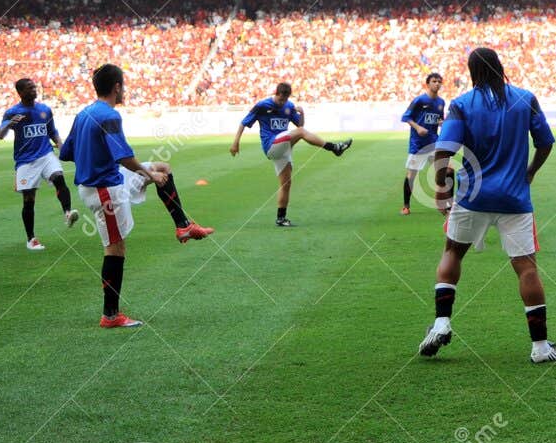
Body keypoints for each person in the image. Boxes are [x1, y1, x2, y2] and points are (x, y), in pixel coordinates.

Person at [418, 47, 556, 364]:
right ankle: (540, 348)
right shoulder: (525, 98)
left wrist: (442, 189)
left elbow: (444, 150)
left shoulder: (461, 104)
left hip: (473, 196)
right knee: (526, 267)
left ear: (471, 72)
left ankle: (442, 322)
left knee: (452, 252)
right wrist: (531, 171)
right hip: (515, 198)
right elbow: (546, 142)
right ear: (500, 66)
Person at [61, 63, 215, 328]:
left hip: (108, 180)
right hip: (104, 189)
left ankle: (183, 226)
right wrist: (147, 175)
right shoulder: (109, 115)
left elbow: (66, 152)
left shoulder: (83, 113)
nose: (125, 90)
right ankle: (110, 315)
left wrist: (100, 159)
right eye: (124, 85)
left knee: (162, 168)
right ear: (117, 87)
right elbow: (124, 156)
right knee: (115, 248)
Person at [229, 82, 352, 227]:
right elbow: (244, 122)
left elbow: (300, 127)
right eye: (281, 99)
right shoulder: (263, 105)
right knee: (300, 134)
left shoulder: (289, 106)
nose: (283, 103)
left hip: (283, 147)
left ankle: (281, 218)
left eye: (285, 100)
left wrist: (302, 114)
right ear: (276, 94)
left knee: (286, 183)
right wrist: (235, 143)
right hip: (271, 145)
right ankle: (334, 147)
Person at [0, 78, 79, 252]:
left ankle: (68, 212)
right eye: (29, 88)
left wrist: (60, 144)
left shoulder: (44, 109)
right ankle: (31, 238)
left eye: (34, 87)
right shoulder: (12, 112)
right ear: (20, 92)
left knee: (59, 178)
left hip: (46, 154)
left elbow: (52, 131)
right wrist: (10, 124)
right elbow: (1, 135)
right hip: (26, 160)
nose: (34, 90)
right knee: (29, 200)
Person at [399, 72, 446, 215]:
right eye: (434, 81)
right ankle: (406, 206)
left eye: (439, 81)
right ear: (428, 83)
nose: (437, 83)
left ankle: (445, 204)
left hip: (434, 142)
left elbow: (438, 120)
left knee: (445, 170)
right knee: (411, 175)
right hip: (418, 145)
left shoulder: (441, 102)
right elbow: (406, 117)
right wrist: (418, 127)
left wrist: (442, 123)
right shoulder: (419, 100)